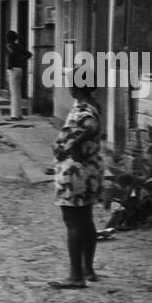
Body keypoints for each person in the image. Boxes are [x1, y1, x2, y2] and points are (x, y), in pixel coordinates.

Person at [48, 74, 104, 290]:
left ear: (75, 87)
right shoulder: (92, 104)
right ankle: (87, 268)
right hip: (89, 169)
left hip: (76, 171)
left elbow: (90, 128)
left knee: (72, 222)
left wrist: (70, 145)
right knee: (85, 219)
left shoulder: (83, 110)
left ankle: (75, 275)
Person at [4, 30, 32, 120]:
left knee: (14, 93)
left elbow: (11, 56)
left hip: (13, 70)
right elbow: (29, 54)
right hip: (19, 69)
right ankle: (18, 114)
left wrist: (12, 65)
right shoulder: (18, 46)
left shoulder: (10, 46)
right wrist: (21, 61)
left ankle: (14, 115)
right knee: (18, 92)